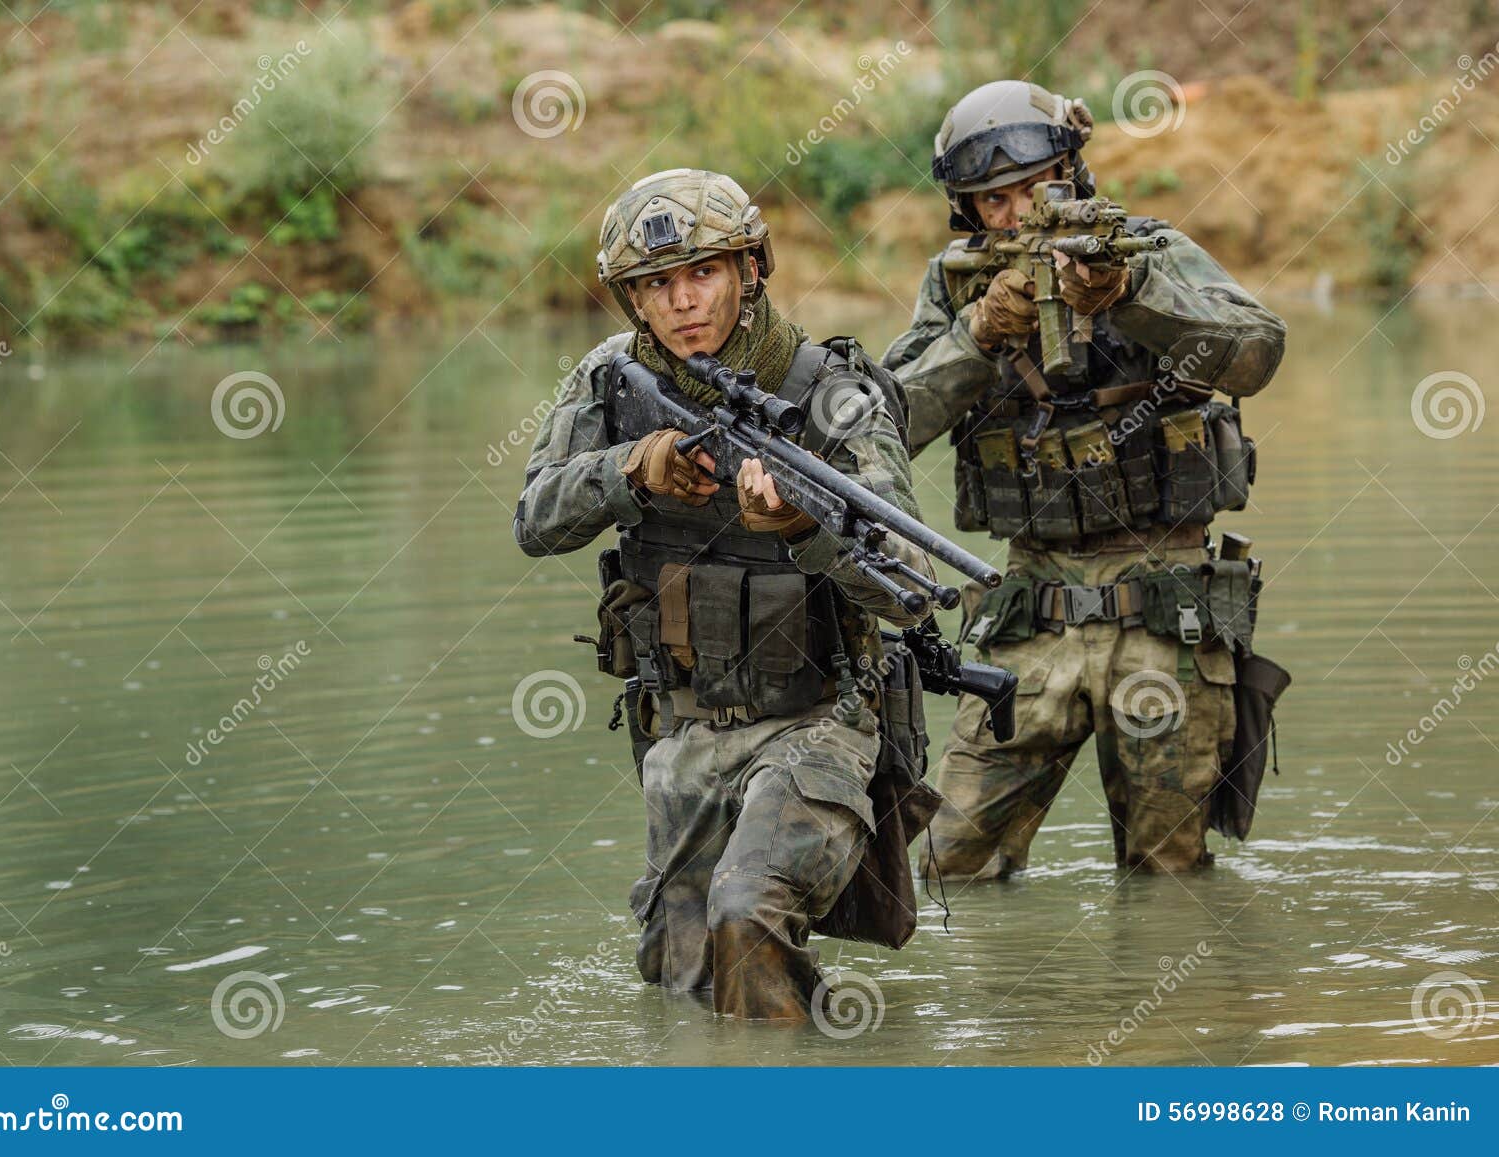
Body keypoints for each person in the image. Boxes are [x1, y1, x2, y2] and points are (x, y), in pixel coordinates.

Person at [515, 169, 935, 1020]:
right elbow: (535, 518)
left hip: (822, 719)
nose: (681, 302)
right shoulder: (611, 382)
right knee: (686, 983)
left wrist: (799, 530)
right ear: (631, 300)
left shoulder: (833, 394)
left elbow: (910, 588)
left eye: (701, 273)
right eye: (655, 285)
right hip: (685, 731)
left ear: (751, 267)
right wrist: (632, 471)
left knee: (747, 915)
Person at [883, 81, 1287, 880]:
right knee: (944, 865)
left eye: (1035, 187)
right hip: (1031, 607)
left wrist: (1132, 299)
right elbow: (886, 423)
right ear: (967, 209)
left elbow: (1256, 351)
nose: (1018, 211)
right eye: (994, 198)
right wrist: (980, 332)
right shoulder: (956, 284)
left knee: (1169, 878)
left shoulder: (1148, 252)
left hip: (1167, 609)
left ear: (1074, 170)